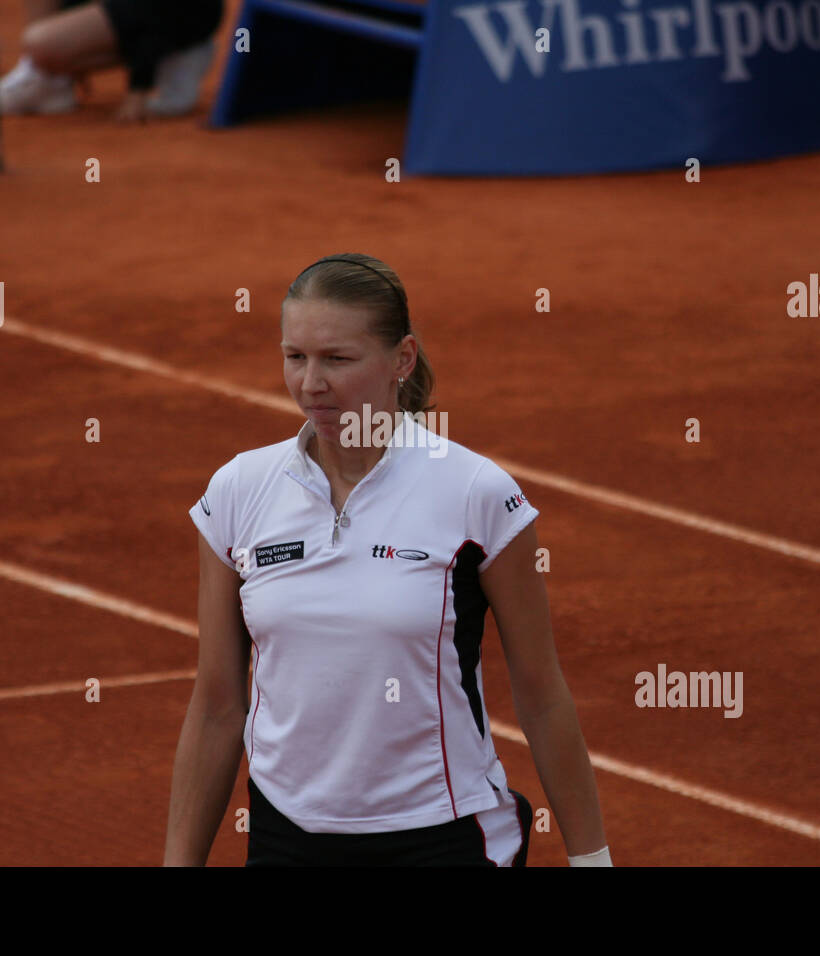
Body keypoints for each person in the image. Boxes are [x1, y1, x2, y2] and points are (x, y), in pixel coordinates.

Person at [163, 253, 612, 866]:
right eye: (295, 357)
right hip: (286, 839)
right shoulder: (238, 492)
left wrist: (592, 860)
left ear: (402, 359)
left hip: (441, 838)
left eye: (337, 359)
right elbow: (217, 705)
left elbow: (541, 694)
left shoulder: (475, 495)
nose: (310, 384)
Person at [0, 0, 224, 122]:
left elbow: (157, 9)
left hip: (183, 10)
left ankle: (180, 48)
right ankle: (47, 79)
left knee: (40, 43)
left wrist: (140, 86)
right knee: (44, 44)